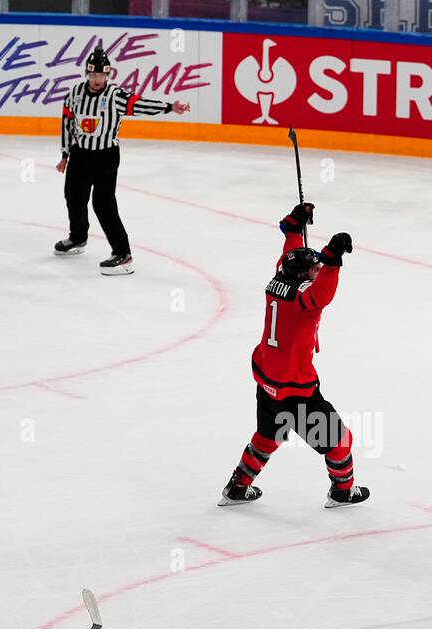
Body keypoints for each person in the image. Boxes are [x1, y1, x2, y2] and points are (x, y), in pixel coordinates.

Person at [219, 202, 369, 509]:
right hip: (294, 389)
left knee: (268, 435)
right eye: (313, 269)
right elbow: (323, 293)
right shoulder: (304, 298)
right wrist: (333, 260)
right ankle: (343, 491)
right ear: (303, 274)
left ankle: (237, 486)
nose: (317, 271)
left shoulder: (277, 281)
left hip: (267, 379)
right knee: (339, 441)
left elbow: (288, 258)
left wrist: (294, 227)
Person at [54, 45, 192, 276]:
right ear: (87, 74)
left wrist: (169, 107)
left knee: (103, 203)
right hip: (80, 154)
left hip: (105, 156)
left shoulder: (114, 96)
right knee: (74, 196)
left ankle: (123, 253)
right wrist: (65, 154)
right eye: (93, 74)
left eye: (101, 75)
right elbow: (67, 123)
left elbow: (140, 104)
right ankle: (77, 238)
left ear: (108, 75)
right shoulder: (75, 94)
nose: (97, 79)